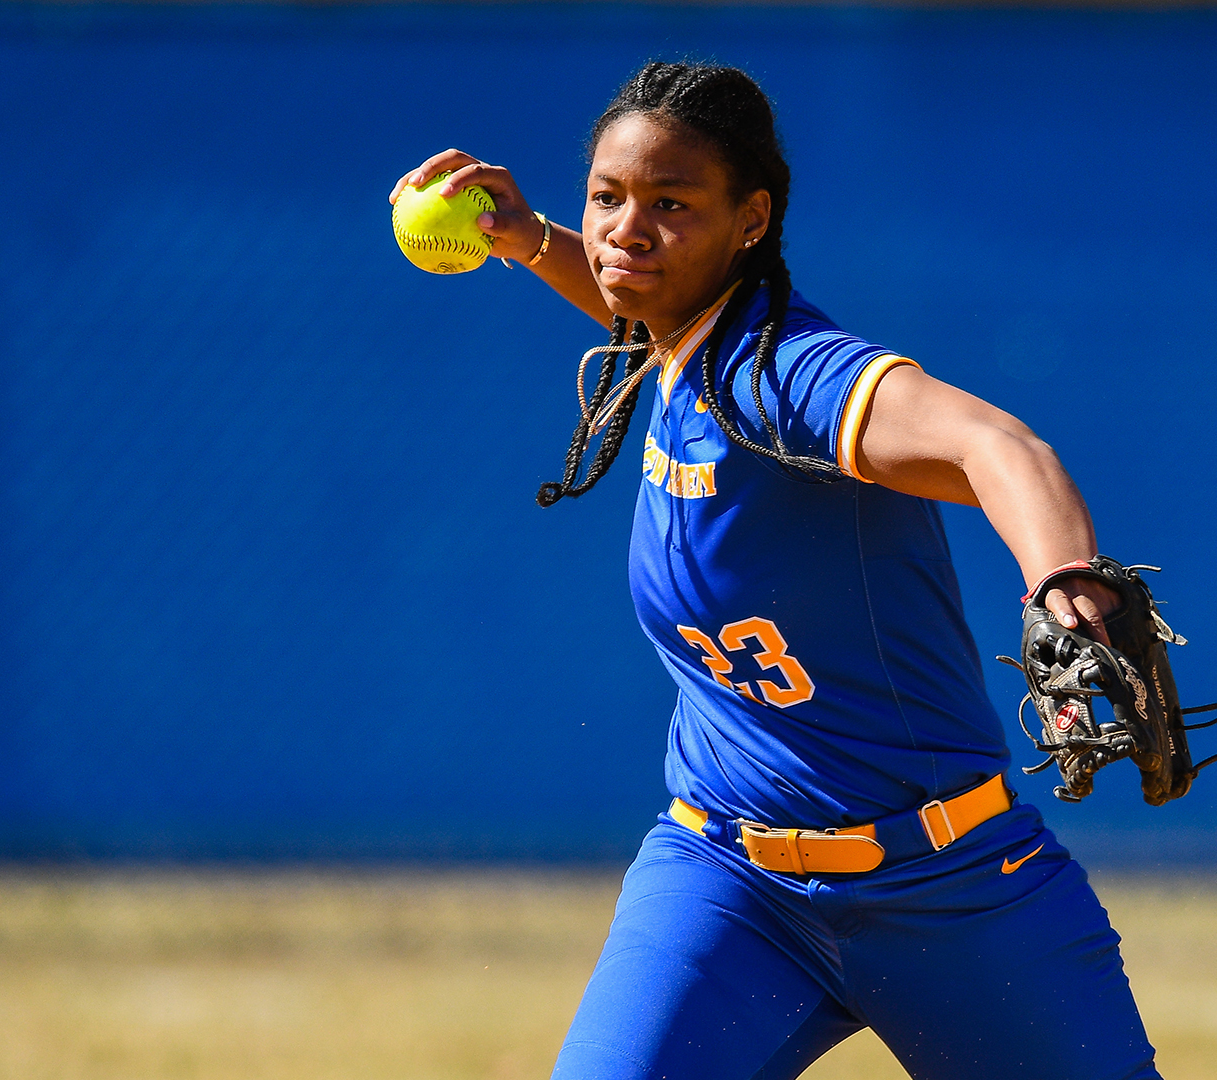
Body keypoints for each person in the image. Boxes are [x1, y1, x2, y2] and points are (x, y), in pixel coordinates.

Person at [390, 62, 1162, 1080]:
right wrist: (530, 238)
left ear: (749, 222)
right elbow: (638, 303)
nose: (628, 229)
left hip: (951, 888)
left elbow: (999, 448)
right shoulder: (685, 345)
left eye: (673, 205)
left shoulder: (793, 376)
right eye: (608, 197)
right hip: (725, 886)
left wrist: (1070, 587)